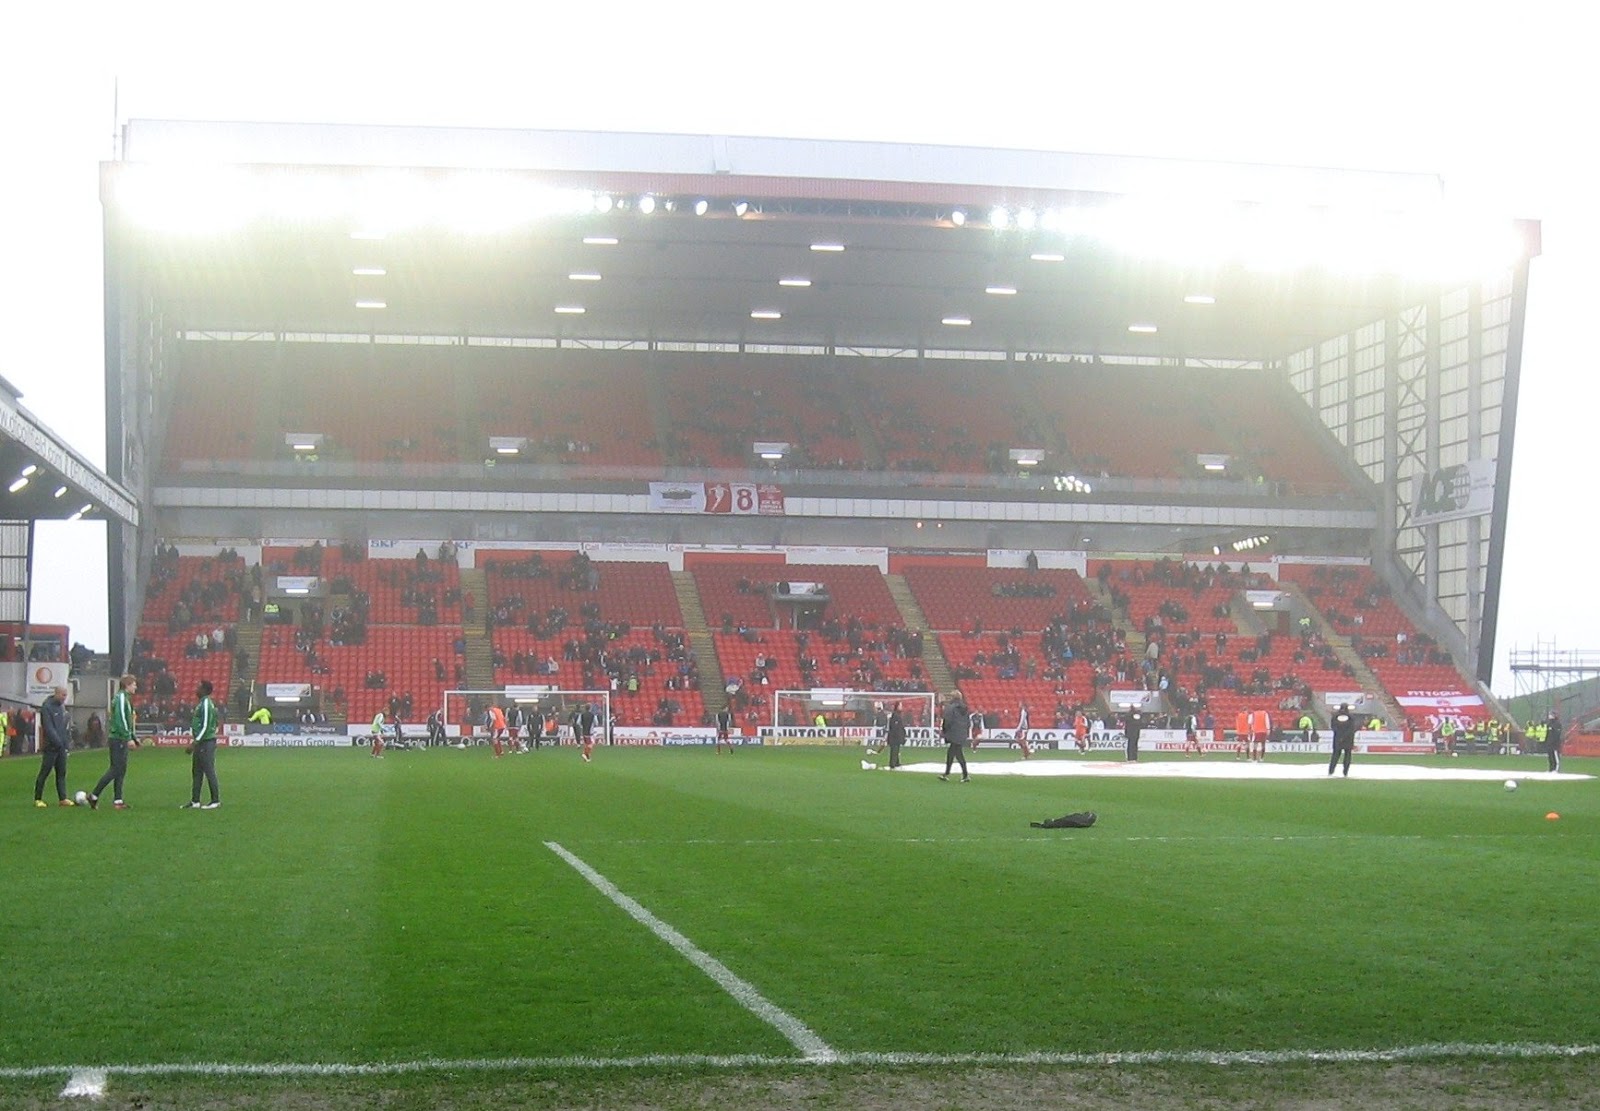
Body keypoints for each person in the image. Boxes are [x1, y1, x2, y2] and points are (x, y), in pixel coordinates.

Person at [88, 674, 139, 810]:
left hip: (120, 737)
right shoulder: (121, 698)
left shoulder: (125, 698)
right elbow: (121, 719)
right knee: (116, 769)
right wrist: (128, 738)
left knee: (120, 769)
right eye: (134, 684)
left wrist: (133, 737)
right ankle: (94, 795)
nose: (135, 687)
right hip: (118, 738)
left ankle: (118, 800)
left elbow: (127, 721)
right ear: (127, 685)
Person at [182, 679, 221, 809]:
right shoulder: (202, 703)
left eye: (199, 687)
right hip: (202, 742)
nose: (196, 689)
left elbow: (205, 726)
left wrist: (195, 742)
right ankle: (195, 801)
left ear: (204, 690)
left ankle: (215, 800)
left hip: (206, 742)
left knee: (209, 771)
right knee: (197, 771)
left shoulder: (206, 704)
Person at [34, 686, 73, 807]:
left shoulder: (62, 707)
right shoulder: (47, 707)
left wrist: (66, 744)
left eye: (66, 695)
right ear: (56, 693)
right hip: (51, 746)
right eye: (63, 695)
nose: (64, 698)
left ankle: (63, 798)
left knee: (61, 773)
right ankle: (38, 798)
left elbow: (64, 728)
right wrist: (58, 742)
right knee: (45, 772)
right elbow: (48, 728)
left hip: (61, 747)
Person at [938, 690, 970, 782]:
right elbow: (968, 723)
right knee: (953, 753)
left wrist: (944, 731)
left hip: (953, 733)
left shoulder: (951, 708)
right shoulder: (965, 708)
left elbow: (947, 720)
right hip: (962, 733)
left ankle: (964, 775)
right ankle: (948, 773)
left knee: (957, 754)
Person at [1328, 701, 1356, 777]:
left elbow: (1333, 727)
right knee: (1347, 755)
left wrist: (1339, 736)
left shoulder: (1335, 716)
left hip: (1337, 738)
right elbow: (1352, 729)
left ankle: (1331, 771)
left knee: (1335, 755)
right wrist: (1344, 736)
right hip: (1348, 739)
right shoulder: (1351, 717)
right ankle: (1345, 772)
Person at [885, 701, 907, 768]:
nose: (901, 707)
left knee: (897, 750)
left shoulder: (898, 715)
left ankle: (896, 762)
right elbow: (895, 727)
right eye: (900, 705)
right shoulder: (895, 716)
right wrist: (899, 736)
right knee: (894, 750)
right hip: (894, 737)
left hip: (897, 736)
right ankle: (892, 763)